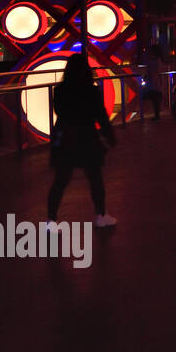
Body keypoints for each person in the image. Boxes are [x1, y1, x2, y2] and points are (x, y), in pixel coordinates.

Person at [46, 53, 117, 227]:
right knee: (95, 179)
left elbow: (59, 111)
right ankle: (101, 215)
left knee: (60, 180)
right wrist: (110, 136)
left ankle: (51, 219)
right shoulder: (91, 91)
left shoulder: (60, 90)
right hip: (87, 138)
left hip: (66, 139)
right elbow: (100, 115)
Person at [142, 44, 166, 120]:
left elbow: (155, 70)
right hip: (155, 80)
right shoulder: (157, 59)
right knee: (155, 98)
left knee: (154, 98)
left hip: (154, 80)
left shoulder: (155, 60)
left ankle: (157, 115)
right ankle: (157, 114)